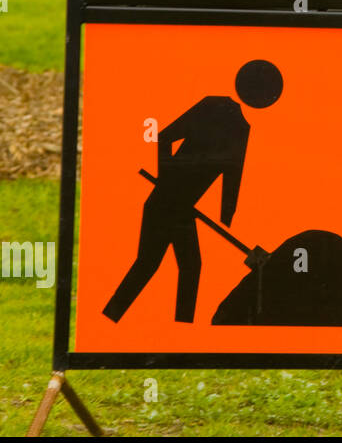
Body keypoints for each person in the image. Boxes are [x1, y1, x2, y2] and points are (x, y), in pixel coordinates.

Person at [103, 60, 283, 324]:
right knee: (150, 265)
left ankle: (179, 328)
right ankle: (112, 318)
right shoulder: (212, 107)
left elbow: (232, 178)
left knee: (188, 268)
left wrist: (227, 218)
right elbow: (164, 137)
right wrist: (167, 184)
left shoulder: (241, 129)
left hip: (182, 208)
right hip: (164, 204)